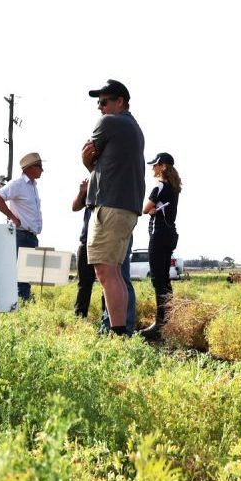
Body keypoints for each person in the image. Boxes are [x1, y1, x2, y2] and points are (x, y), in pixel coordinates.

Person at [80, 79, 145, 336]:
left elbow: (90, 155)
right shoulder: (133, 127)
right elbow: (101, 167)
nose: (100, 107)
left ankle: (117, 334)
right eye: (98, 103)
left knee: (105, 271)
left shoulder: (110, 122)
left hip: (111, 206)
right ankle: (119, 333)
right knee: (114, 272)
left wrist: (86, 159)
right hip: (123, 207)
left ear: (121, 101)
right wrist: (91, 162)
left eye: (104, 101)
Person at [72, 177, 135, 328]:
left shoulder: (113, 183)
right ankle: (80, 319)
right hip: (87, 241)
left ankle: (113, 325)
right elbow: (74, 207)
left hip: (110, 238)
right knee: (85, 284)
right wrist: (82, 193)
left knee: (112, 279)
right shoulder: (92, 184)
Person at [140, 151, 182, 339]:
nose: (152, 168)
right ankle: (167, 321)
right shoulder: (174, 188)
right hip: (170, 235)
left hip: (158, 236)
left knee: (158, 280)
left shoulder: (159, 186)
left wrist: (152, 211)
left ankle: (159, 325)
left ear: (162, 166)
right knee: (165, 280)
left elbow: (145, 208)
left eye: (155, 164)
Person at [0, 152, 44, 302]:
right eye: (40, 166)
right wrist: (12, 217)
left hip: (31, 236)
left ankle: (23, 304)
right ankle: (20, 305)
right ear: (30, 168)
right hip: (20, 235)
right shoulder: (18, 184)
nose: (42, 170)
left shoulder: (33, 186)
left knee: (26, 275)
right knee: (21, 276)